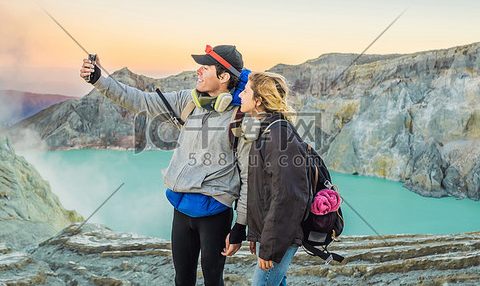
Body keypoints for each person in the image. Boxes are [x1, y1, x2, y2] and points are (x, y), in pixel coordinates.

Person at [79, 45, 249, 286]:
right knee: (182, 280)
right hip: (181, 207)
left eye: (206, 67)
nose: (198, 70)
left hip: (215, 213)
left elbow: (249, 174)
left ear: (223, 77)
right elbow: (141, 101)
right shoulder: (189, 101)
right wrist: (98, 80)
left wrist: (240, 225)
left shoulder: (241, 116)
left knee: (213, 280)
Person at [234, 72, 309, 286]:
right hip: (275, 235)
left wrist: (269, 246)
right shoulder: (269, 130)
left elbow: (288, 196)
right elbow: (266, 191)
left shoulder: (279, 135)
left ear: (258, 100)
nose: (240, 95)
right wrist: (257, 236)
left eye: (246, 91)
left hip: (280, 238)